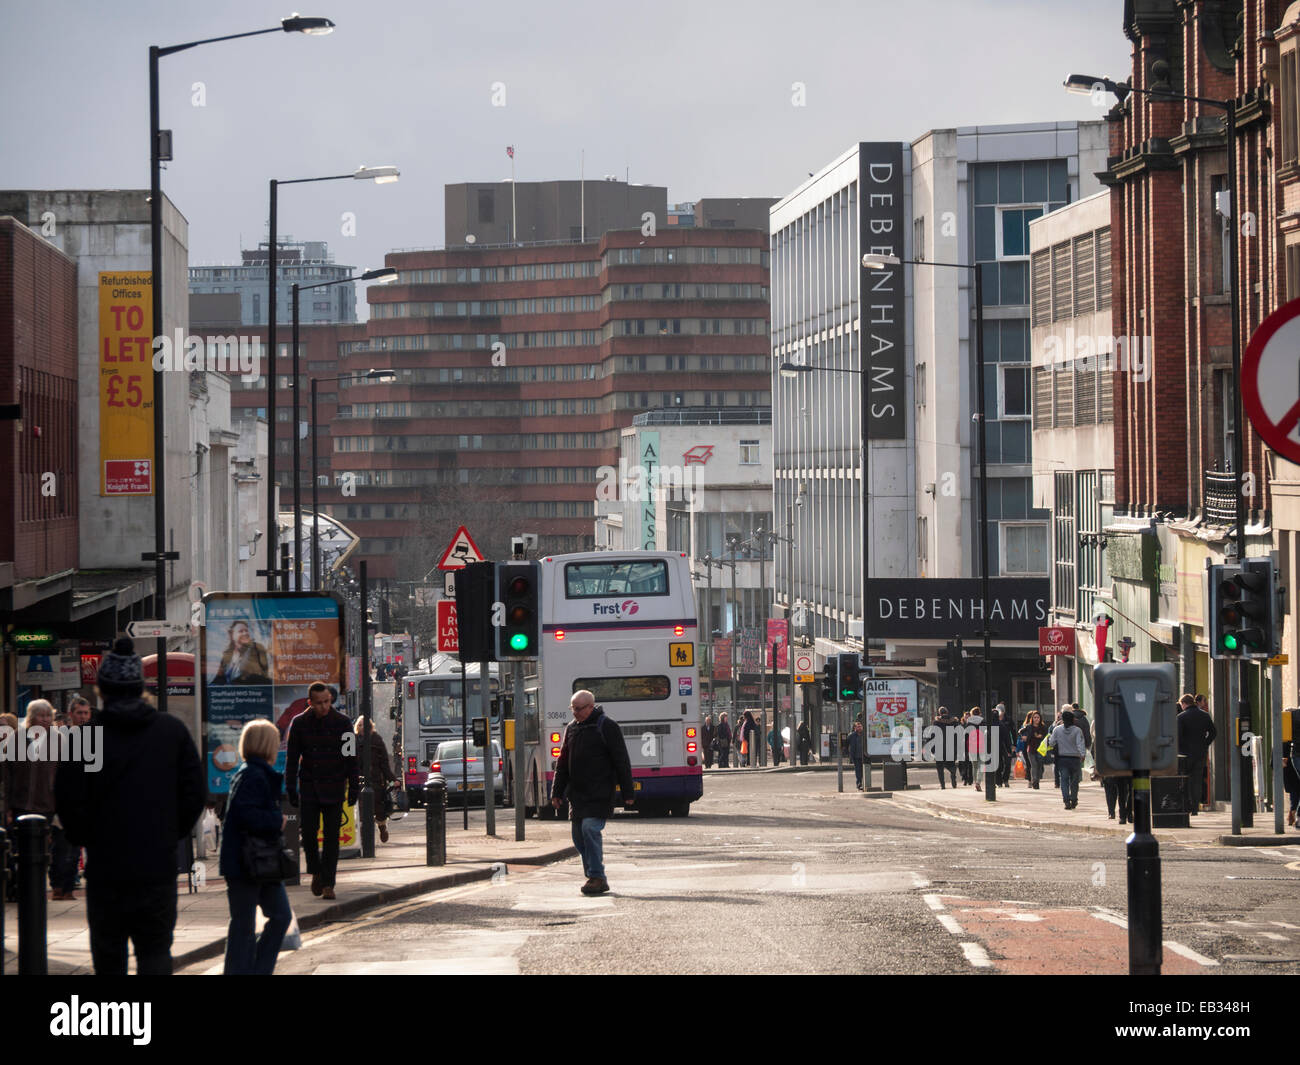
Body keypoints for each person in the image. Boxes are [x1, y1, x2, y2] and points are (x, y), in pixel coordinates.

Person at [55, 637, 206, 975]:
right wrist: (169, 833)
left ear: (102, 692)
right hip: (156, 866)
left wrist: (89, 838)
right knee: (155, 952)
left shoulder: (84, 738)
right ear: (141, 689)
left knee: (109, 958)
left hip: (107, 869)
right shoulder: (171, 732)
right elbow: (194, 794)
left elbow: (66, 800)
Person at [220, 719, 292, 975]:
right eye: (275, 741)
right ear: (266, 744)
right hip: (247, 862)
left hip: (260, 861)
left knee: (280, 916)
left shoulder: (254, 773)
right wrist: (277, 821)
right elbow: (245, 815)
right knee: (243, 925)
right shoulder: (252, 775)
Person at [551, 690, 634, 896]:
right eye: (572, 708)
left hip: (600, 792)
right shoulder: (571, 729)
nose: (575, 713)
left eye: (578, 709)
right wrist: (557, 792)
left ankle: (596, 875)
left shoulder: (607, 726)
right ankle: (594, 876)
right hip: (577, 795)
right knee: (578, 837)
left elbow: (621, 761)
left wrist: (627, 792)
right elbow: (562, 764)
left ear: (591, 707)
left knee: (589, 829)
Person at [285, 682, 359, 900]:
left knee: (331, 838)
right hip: (309, 785)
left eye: (327, 701)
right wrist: (291, 787)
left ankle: (328, 883)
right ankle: (315, 870)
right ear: (310, 702)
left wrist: (354, 787)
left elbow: (351, 759)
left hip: (335, 786)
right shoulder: (299, 724)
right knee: (308, 835)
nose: (324, 706)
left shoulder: (344, 723)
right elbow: (291, 760)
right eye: (319, 703)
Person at [9, 700, 79, 899]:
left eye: (48, 715)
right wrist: (7, 805)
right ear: (31, 717)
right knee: (21, 851)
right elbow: (8, 773)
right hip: (21, 804)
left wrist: (64, 804)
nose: (46, 719)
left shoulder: (60, 740)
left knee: (47, 851)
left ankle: (40, 889)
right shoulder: (17, 739)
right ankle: (24, 889)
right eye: (41, 715)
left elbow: (67, 775)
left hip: (49, 804)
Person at [356, 716, 396, 843]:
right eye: (360, 725)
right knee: (362, 809)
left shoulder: (377, 740)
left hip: (376, 780)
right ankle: (364, 836)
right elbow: (346, 761)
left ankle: (382, 826)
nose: (363, 727)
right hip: (358, 780)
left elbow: (384, 762)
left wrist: (393, 779)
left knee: (379, 809)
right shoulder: (351, 739)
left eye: (365, 724)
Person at [1177, 693, 1216, 815]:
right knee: (1197, 781)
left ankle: (1186, 806)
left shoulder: (1180, 717)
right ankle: (1195, 808)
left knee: (1185, 780)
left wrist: (1180, 749)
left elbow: (1178, 736)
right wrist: (1205, 743)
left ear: (1184, 703)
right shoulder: (1204, 715)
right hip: (1200, 753)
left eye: (1181, 704)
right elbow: (1213, 732)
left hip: (1185, 754)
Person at [1047, 709, 1086, 810]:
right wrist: (1082, 755)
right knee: (1074, 781)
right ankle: (1074, 799)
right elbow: (1080, 744)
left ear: (1062, 719)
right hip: (1075, 759)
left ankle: (1066, 800)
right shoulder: (1077, 730)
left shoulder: (1057, 729)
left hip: (1062, 758)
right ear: (1073, 719)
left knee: (1064, 780)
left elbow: (1051, 743)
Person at [211, 621, 271, 686]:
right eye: (241, 631)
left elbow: (259, 673)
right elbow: (220, 676)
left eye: (246, 630)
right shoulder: (227, 654)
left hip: (249, 691)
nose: (245, 633)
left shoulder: (256, 648)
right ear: (232, 635)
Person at [1019, 710, 1048, 789]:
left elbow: (1047, 736)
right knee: (1034, 765)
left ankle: (1037, 780)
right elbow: (1020, 731)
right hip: (1031, 748)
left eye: (1038, 717)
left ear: (1040, 718)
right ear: (1032, 718)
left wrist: (1041, 737)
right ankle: (1035, 782)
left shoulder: (1043, 727)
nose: (1036, 719)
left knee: (1039, 766)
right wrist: (1024, 737)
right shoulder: (1029, 726)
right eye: (1035, 717)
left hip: (1040, 749)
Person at [932, 706, 959, 789]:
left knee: (940, 767)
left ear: (939, 713)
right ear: (947, 712)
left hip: (939, 747)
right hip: (951, 746)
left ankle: (942, 785)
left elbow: (933, 735)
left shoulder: (936, 722)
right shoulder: (954, 722)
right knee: (951, 764)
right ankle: (953, 780)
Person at [966, 707, 985, 792]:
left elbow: (965, 736)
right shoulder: (983, 721)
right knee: (981, 765)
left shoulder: (969, 723)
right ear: (979, 713)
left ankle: (975, 783)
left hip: (972, 746)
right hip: (982, 745)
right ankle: (978, 782)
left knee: (974, 766)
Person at [848, 720, 865, 790]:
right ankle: (859, 783)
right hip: (856, 756)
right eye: (858, 727)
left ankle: (863, 783)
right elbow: (846, 744)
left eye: (860, 726)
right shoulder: (851, 735)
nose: (859, 728)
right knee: (858, 771)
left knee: (863, 770)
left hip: (864, 756)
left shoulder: (865, 734)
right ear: (855, 728)